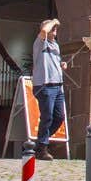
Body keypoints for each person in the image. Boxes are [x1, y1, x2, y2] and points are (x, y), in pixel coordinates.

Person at [31, 19, 66, 157]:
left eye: (56, 28)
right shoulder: (40, 43)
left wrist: (61, 64)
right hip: (45, 86)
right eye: (53, 28)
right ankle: (42, 148)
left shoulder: (55, 45)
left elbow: (52, 62)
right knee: (47, 117)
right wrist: (54, 20)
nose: (54, 30)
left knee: (59, 117)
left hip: (58, 86)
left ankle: (40, 143)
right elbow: (45, 30)